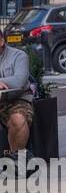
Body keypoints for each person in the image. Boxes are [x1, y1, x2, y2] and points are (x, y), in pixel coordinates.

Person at [0, 37, 33, 166]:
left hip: (17, 99)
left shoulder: (19, 56)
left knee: (18, 119)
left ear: (1, 42)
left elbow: (19, 80)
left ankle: (16, 161)